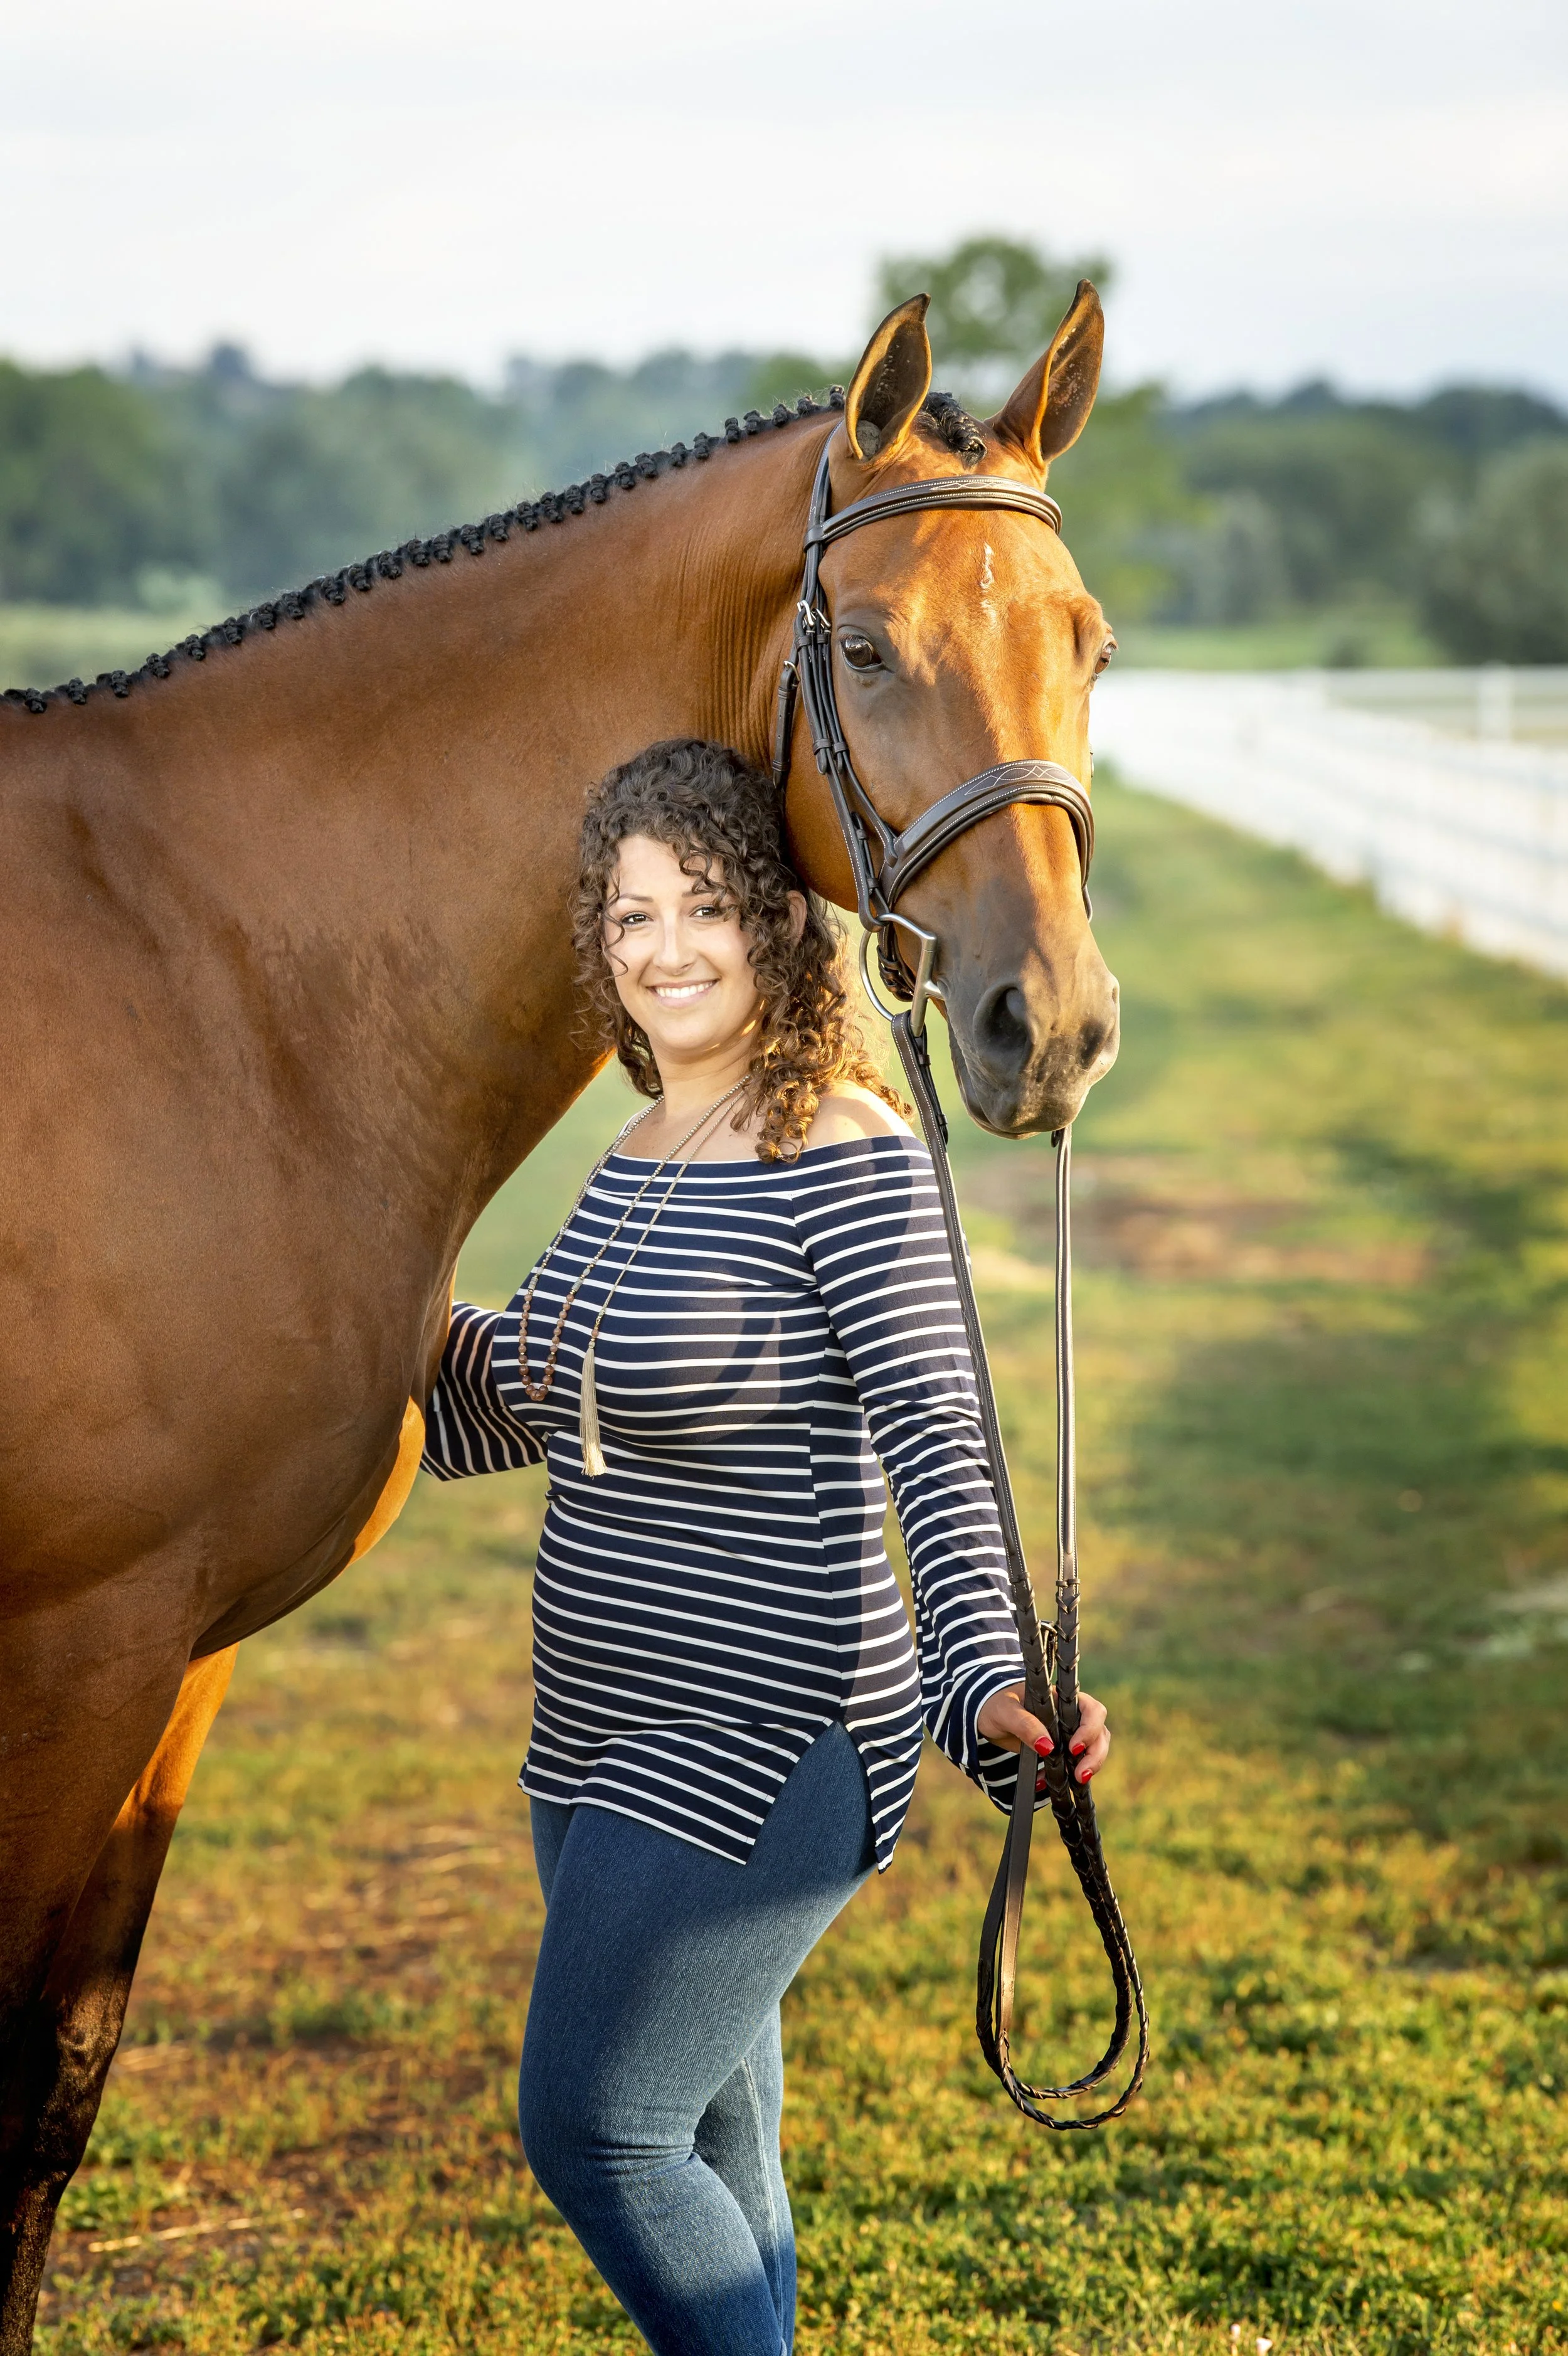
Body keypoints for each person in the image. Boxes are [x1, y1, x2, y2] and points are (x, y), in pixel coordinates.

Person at [420, 738, 1110, 2356]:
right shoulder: (643, 1148)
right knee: (720, 2154)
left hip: (762, 1738)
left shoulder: (843, 1148)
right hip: (591, 1733)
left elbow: (937, 1444)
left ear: (781, 929)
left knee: (600, 2131)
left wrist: (990, 1693)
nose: (664, 951)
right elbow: (539, 1388)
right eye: (630, 913)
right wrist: (339, 1312)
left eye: (706, 909)